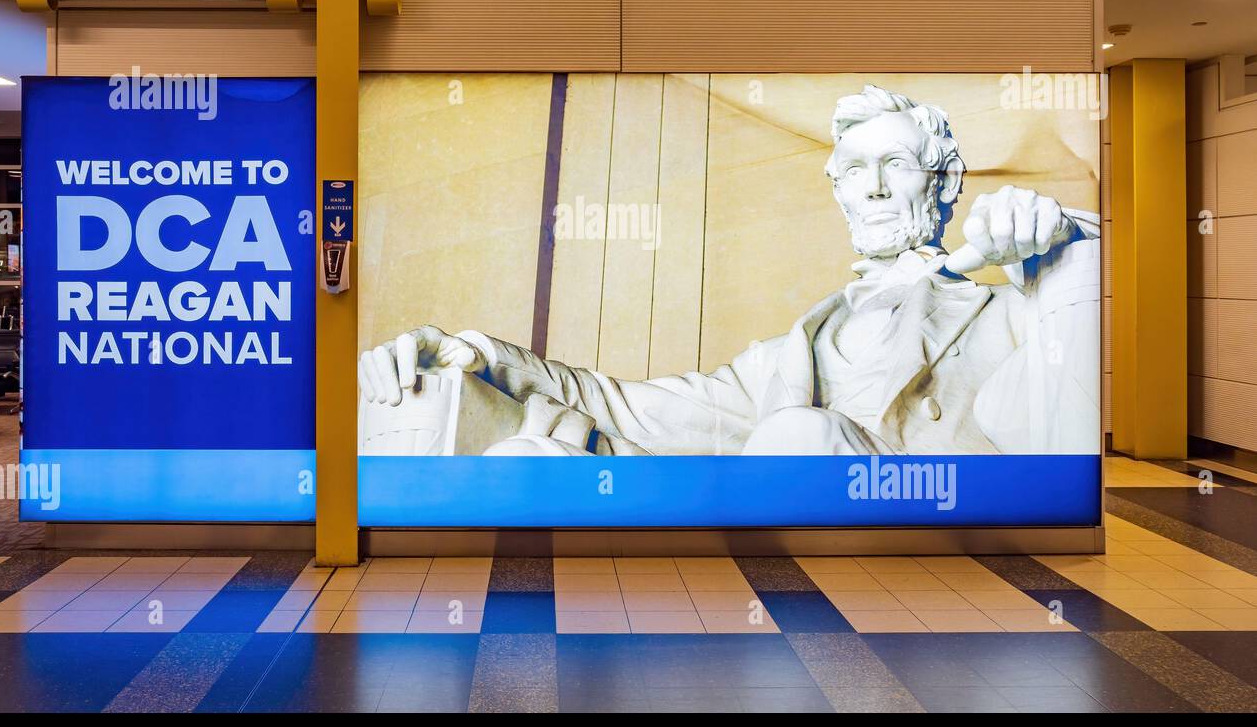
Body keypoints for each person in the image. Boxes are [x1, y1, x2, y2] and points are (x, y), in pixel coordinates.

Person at [358, 85, 1100, 456]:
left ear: (940, 183)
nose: (871, 188)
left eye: (896, 166)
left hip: (933, 554)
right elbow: (627, 406)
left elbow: (1074, 340)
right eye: (855, 171)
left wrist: (1053, 238)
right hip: (784, 571)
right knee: (528, 451)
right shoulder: (795, 353)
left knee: (799, 440)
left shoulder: (1011, 312)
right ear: (837, 189)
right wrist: (481, 355)